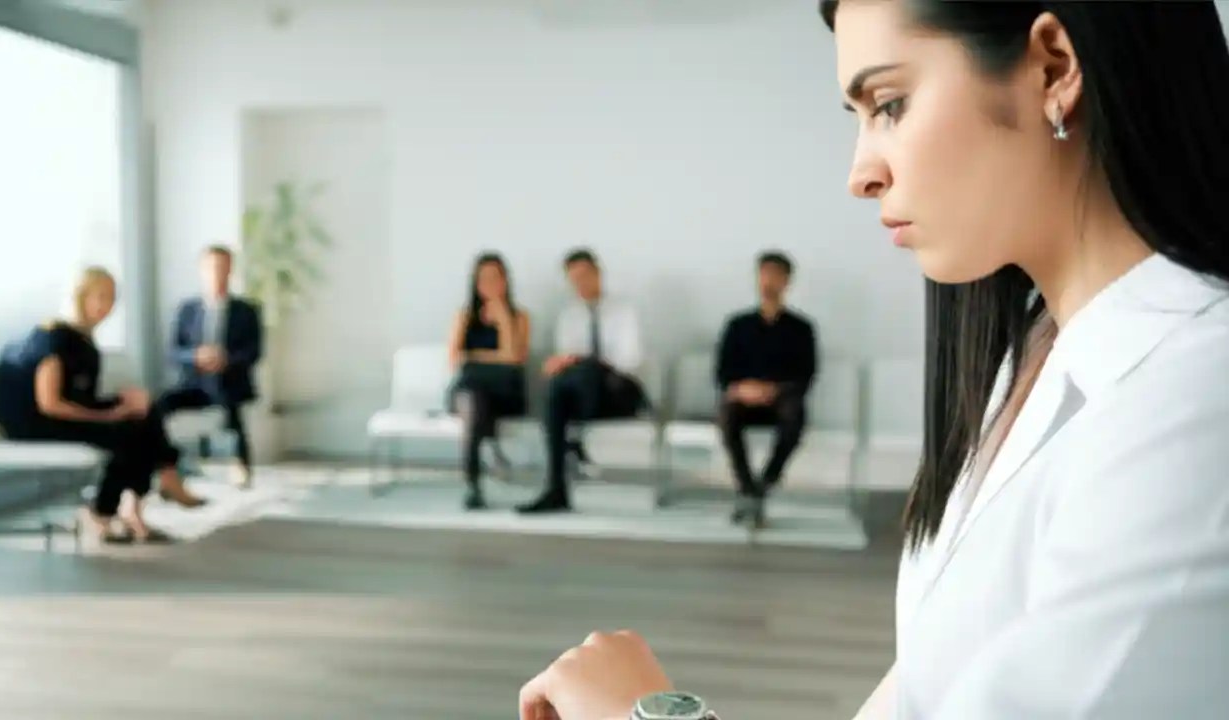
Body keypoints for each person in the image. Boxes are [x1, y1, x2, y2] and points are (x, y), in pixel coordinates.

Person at [519, 2, 1229, 719]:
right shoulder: (1035, 357)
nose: (861, 174)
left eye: (889, 104)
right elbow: (930, 682)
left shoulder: (1197, 402)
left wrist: (646, 715)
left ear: (1055, 67)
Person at [0, 267, 203, 545]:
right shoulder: (54, 338)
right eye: (99, 296)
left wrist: (124, 402)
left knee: (144, 410)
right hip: (33, 424)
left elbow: (79, 396)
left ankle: (134, 508)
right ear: (81, 296)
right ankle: (103, 512)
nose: (106, 305)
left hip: (63, 414)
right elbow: (49, 403)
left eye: (112, 298)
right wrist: (109, 414)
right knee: (125, 433)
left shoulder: (84, 341)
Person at [517, 249, 646, 514]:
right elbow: (566, 365)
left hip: (619, 392)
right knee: (555, 391)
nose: (581, 284)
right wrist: (564, 363)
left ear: (598, 274)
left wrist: (583, 361)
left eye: (585, 276)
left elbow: (631, 360)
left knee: (585, 369)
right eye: (574, 279)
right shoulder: (568, 317)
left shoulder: (625, 311)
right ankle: (556, 488)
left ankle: (573, 444)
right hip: (582, 394)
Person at [716, 251, 818, 528]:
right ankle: (747, 486)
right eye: (764, 274)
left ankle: (764, 483)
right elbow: (723, 373)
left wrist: (772, 390)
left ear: (787, 282)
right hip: (744, 401)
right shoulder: (738, 325)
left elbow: (806, 375)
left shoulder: (801, 329)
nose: (768, 282)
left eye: (775, 275)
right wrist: (743, 389)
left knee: (795, 414)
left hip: (780, 402)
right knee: (727, 414)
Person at [158, 245, 262, 489]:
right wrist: (195, 356)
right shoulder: (187, 310)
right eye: (212, 267)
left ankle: (240, 463)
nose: (217, 273)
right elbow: (173, 352)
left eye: (223, 267)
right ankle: (167, 466)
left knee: (229, 403)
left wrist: (225, 359)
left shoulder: (246, 311)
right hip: (194, 383)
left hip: (230, 381)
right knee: (159, 405)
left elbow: (254, 352)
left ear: (231, 271)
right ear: (202, 271)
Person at [446, 252, 531, 510]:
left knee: (476, 380)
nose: (490, 283)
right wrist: (491, 358)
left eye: (496, 277)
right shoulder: (464, 316)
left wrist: (503, 318)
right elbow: (453, 358)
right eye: (484, 278)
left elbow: (514, 358)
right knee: (472, 396)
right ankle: (474, 484)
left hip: (506, 395)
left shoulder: (520, 317)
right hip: (470, 395)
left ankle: (483, 469)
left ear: (505, 281)